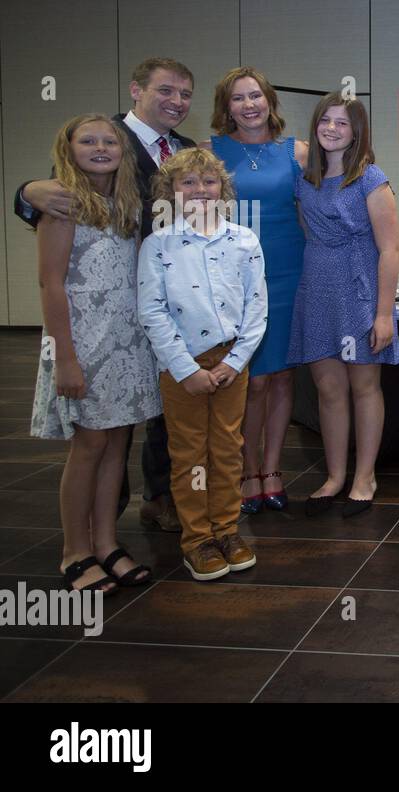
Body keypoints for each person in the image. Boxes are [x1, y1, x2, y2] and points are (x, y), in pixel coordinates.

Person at [15, 57, 198, 533]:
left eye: (184, 94)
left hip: (161, 301)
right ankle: (94, 531)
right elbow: (54, 195)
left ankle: (156, 498)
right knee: (99, 435)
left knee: (154, 413)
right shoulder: (106, 137)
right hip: (95, 319)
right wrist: (25, 191)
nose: (176, 101)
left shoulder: (186, 150)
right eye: (166, 90)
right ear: (136, 91)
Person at [32, 114, 163, 593]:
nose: (100, 146)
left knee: (117, 446)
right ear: (68, 148)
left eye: (110, 140)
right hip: (82, 344)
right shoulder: (62, 205)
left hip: (127, 343)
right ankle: (75, 550)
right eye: (88, 140)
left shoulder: (126, 204)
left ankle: (107, 542)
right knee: (88, 445)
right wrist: (64, 357)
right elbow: (50, 284)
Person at [137, 148, 267, 581]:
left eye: (208, 182)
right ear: (171, 191)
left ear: (223, 188)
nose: (200, 191)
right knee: (190, 453)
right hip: (183, 365)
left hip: (232, 361)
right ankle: (197, 538)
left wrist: (235, 360)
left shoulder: (244, 239)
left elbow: (256, 308)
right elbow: (152, 311)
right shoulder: (158, 244)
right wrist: (184, 368)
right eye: (187, 182)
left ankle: (227, 529)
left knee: (229, 449)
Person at [286, 92, 399, 518]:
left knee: (363, 387)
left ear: (356, 133)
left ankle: (364, 477)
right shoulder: (305, 178)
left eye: (343, 123)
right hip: (315, 289)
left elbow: (390, 250)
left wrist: (384, 313)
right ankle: (334, 476)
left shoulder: (370, 179)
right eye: (325, 121)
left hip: (358, 292)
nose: (332, 128)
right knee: (328, 389)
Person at [203, 67, 307, 514]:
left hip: (289, 270)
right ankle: (245, 472)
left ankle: (273, 471)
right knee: (253, 380)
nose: (249, 105)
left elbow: (315, 208)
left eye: (256, 96)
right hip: (234, 277)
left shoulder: (298, 151)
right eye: (238, 98)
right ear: (226, 107)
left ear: (270, 101)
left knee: (283, 376)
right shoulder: (210, 152)